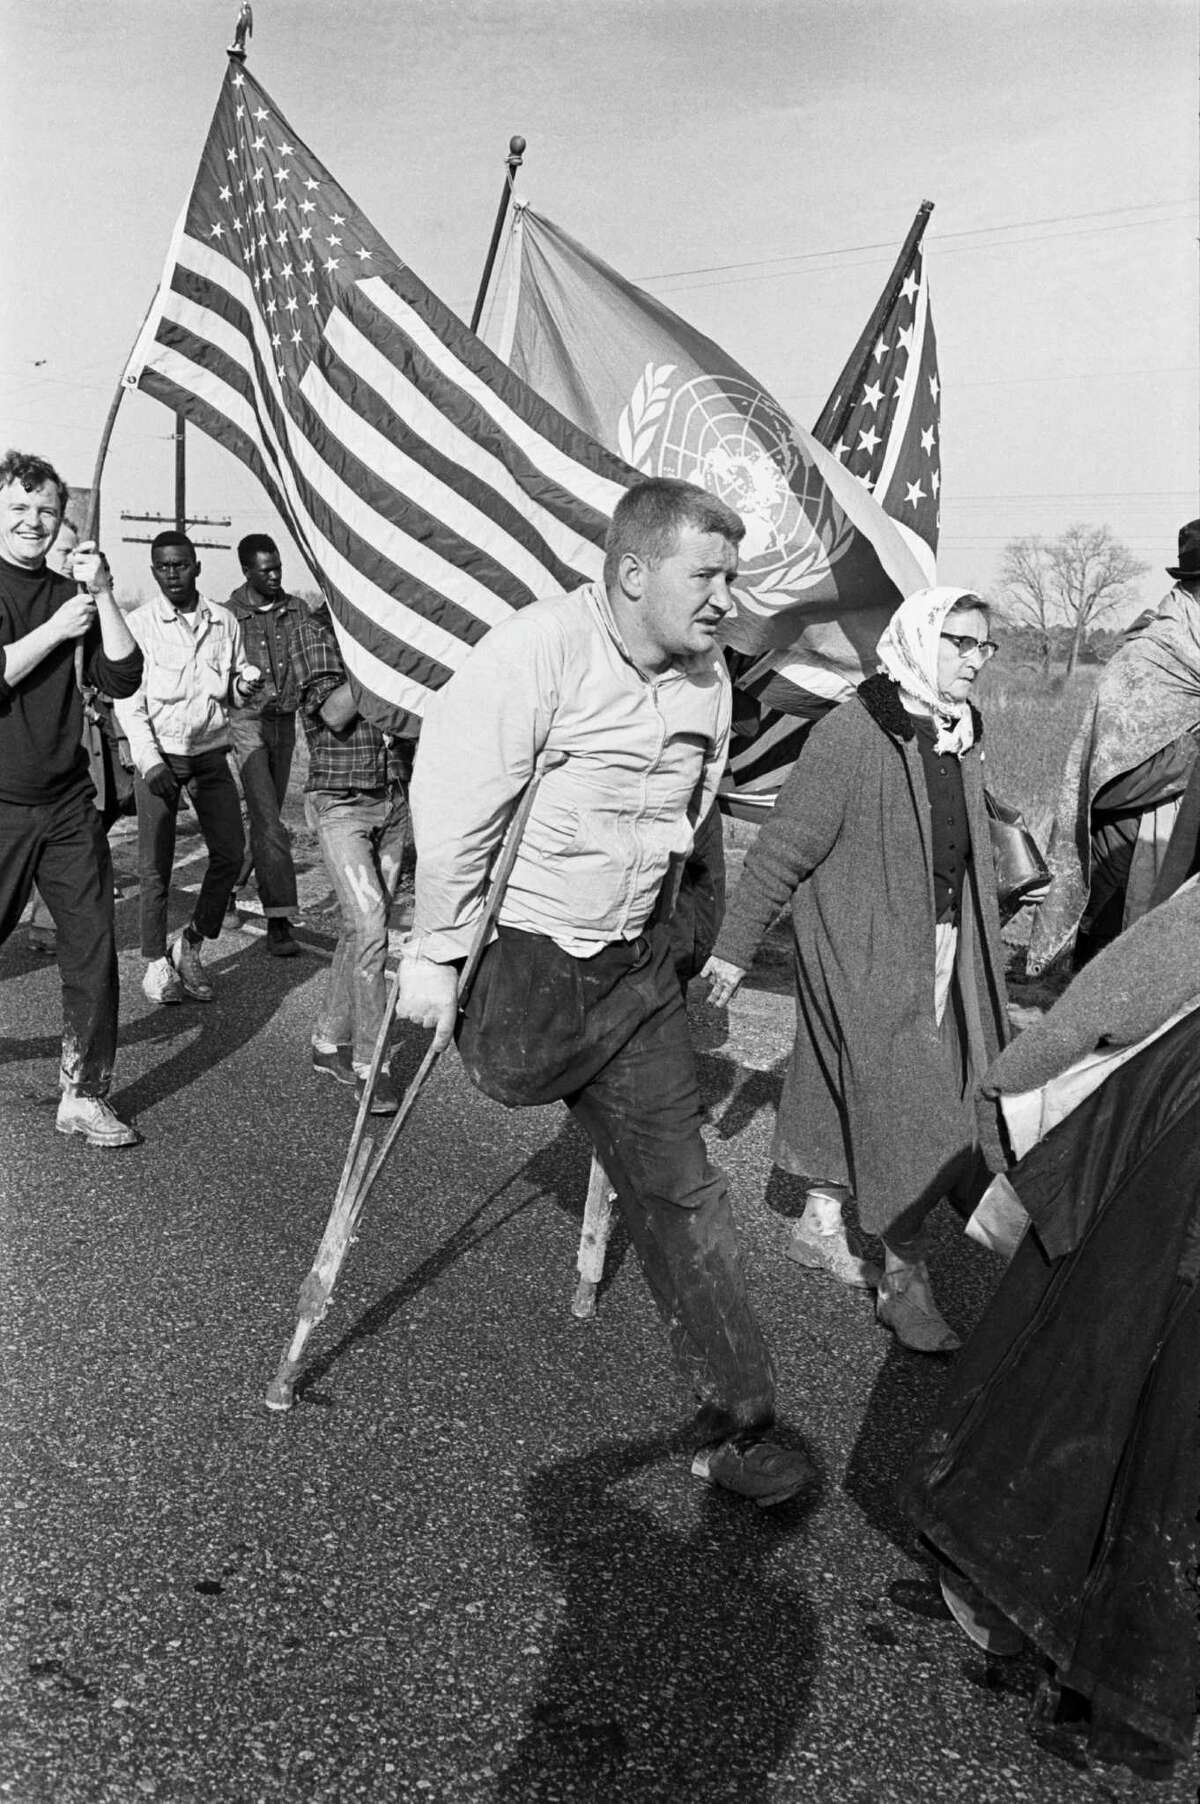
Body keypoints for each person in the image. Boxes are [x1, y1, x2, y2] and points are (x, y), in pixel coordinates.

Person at [395, 477, 815, 1508]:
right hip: (531, 965)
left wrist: (678, 943)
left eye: (734, 575)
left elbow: (702, 813)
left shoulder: (709, 679)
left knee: (683, 1188)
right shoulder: (535, 655)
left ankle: (740, 1420)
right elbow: (453, 812)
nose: (726, 598)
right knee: (510, 1077)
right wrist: (435, 955)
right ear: (633, 572)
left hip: (631, 971)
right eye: (706, 575)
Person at [902, 877, 1200, 1780]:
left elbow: (1146, 970)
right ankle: (1129, 1674)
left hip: (1176, 1176)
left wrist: (1018, 1079)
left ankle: (1031, 1608)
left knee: (1089, 1369)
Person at [704, 588, 1010, 1353]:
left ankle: (819, 1219)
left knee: (857, 1070)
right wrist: (733, 950)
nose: (975, 659)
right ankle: (906, 1282)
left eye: (984, 646)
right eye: (961, 643)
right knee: (922, 1110)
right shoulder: (853, 732)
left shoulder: (960, 731)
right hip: (863, 940)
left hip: (944, 941)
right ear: (922, 641)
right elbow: (785, 847)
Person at [0, 449, 143, 1147]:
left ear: (63, 521)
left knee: (91, 950)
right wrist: (58, 629)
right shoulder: (37, 606)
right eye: (19, 508)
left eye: (46, 511)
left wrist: (105, 593)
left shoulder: (74, 595)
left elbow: (124, 678)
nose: (32, 521)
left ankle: (83, 1095)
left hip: (67, 807)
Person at [1028, 518, 1200, 974]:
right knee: (1111, 976)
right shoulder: (1146, 659)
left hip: (1187, 842)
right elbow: (1114, 785)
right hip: (1131, 848)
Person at [116, 531, 262, 1005]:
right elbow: (127, 702)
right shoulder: (138, 625)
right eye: (163, 567)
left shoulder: (223, 620)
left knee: (230, 851)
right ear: (154, 571)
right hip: (159, 757)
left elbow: (233, 688)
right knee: (154, 865)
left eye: (181, 565)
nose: (173, 573)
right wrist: (150, 760)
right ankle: (157, 962)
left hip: (208, 753)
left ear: (197, 566)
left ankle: (191, 945)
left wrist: (245, 688)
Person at [291, 601, 410, 1114]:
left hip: (393, 799)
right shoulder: (315, 630)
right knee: (371, 930)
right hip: (341, 803)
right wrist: (386, 659)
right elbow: (334, 713)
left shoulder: (393, 624)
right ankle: (372, 1062)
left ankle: (327, 1040)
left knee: (359, 929)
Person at [224, 533, 305, 957]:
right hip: (247, 721)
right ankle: (279, 920)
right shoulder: (228, 615)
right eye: (265, 569)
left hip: (285, 721)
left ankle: (228, 885)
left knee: (263, 815)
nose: (274, 576)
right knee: (269, 818)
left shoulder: (297, 610)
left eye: (278, 567)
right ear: (246, 571)